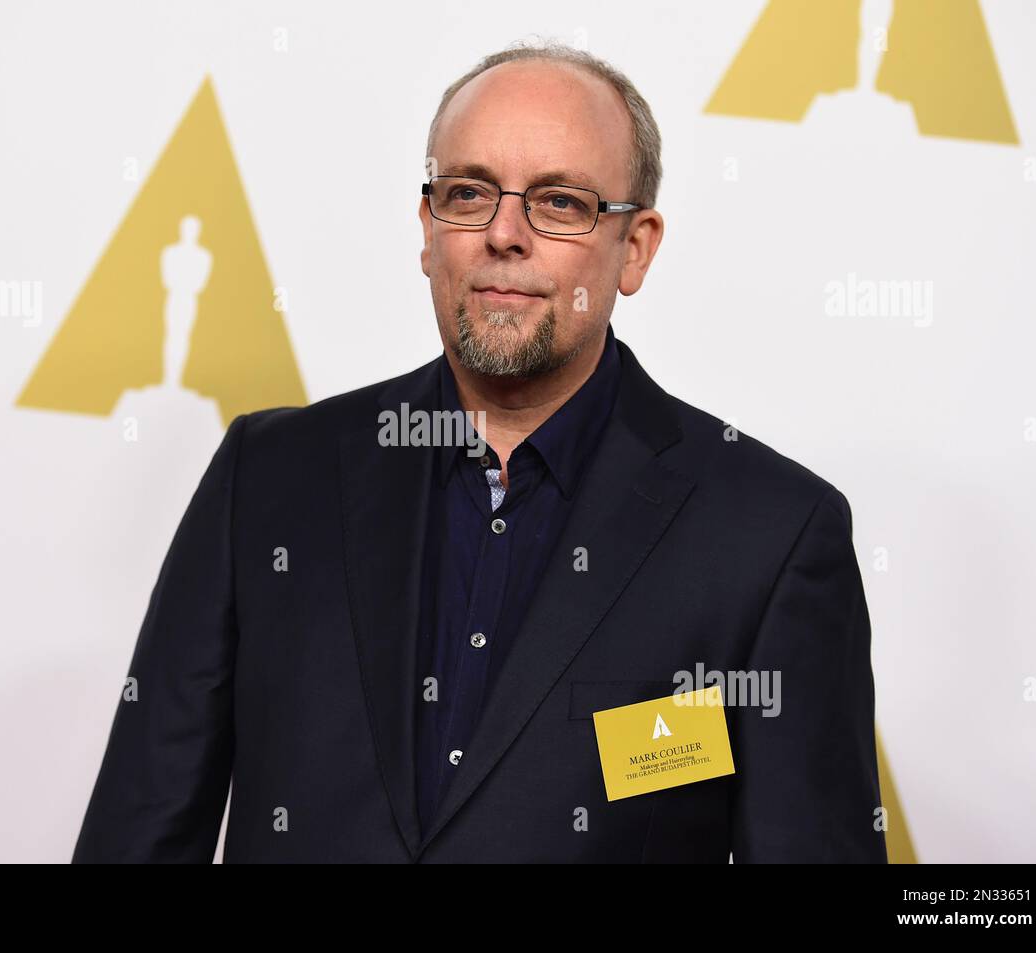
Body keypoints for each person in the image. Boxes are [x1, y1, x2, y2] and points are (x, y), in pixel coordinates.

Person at [72, 41, 887, 863]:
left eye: (560, 203)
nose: (504, 234)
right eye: (468, 193)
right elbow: (139, 834)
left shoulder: (769, 535)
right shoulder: (271, 479)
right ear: (429, 231)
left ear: (634, 247)